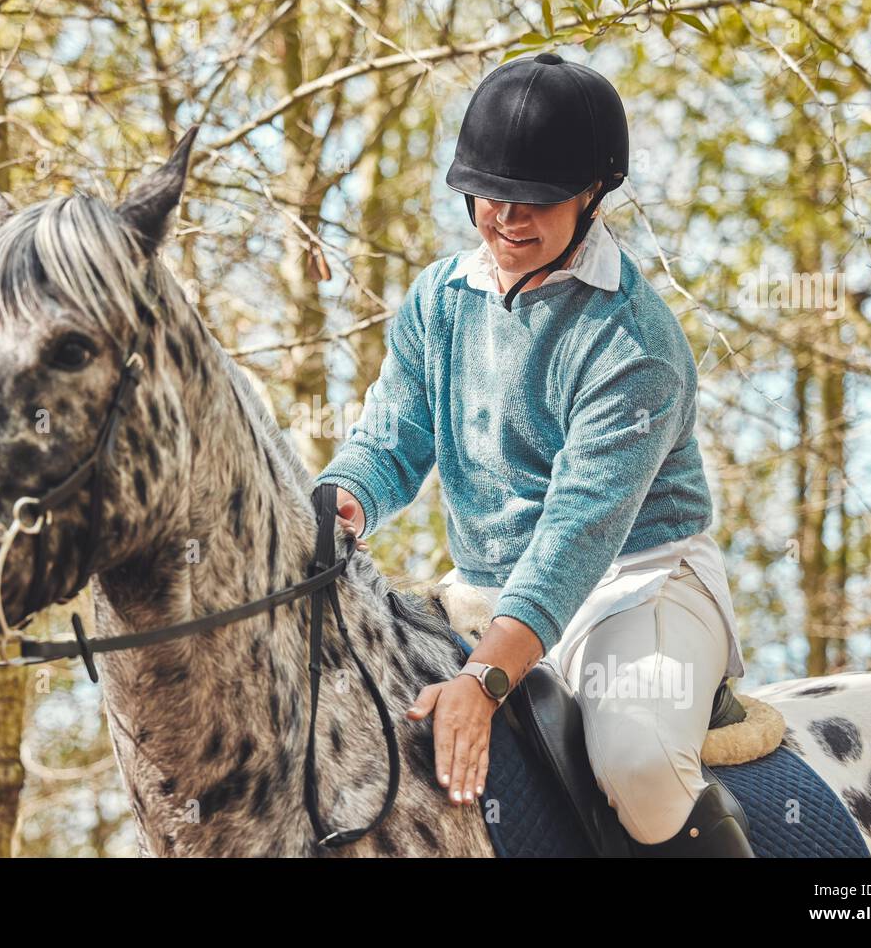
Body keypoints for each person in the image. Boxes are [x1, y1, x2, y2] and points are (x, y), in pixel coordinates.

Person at [313, 52, 752, 856]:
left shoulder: (633, 342)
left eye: (537, 200)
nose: (508, 217)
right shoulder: (438, 298)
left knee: (640, 766)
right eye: (489, 195)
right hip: (481, 589)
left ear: (593, 195)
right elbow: (392, 435)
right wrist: (345, 494)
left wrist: (483, 680)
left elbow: (577, 533)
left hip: (634, 585)